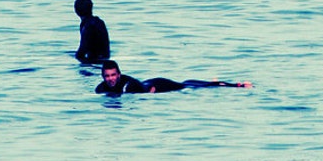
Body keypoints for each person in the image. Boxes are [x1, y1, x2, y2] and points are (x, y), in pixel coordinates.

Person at [95, 62, 249, 96]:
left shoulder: (128, 86)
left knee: (188, 86)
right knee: (187, 83)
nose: (110, 79)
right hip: (149, 82)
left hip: (160, 85)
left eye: (113, 75)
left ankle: (235, 85)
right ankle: (215, 82)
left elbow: (149, 93)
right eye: (107, 76)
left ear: (119, 74)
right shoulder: (100, 88)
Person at [73, 0, 110, 64]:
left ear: (76, 10)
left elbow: (82, 51)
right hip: (105, 58)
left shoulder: (87, 26)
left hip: (94, 61)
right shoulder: (100, 22)